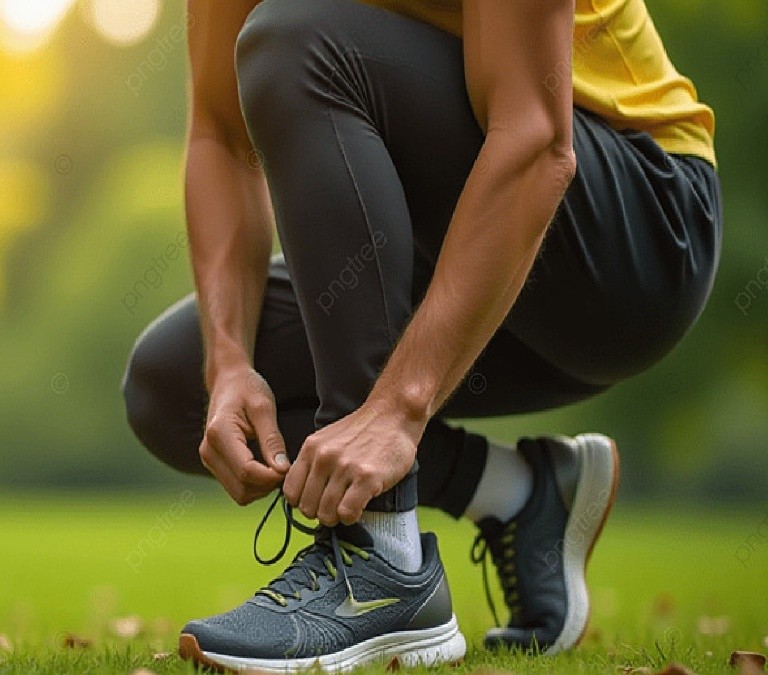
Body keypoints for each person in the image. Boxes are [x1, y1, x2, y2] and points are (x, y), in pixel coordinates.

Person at [122, 0, 720, 670]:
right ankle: (524, 494)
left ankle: (381, 556)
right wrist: (228, 362)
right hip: (470, 235)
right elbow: (221, 138)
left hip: (635, 238)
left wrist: (398, 408)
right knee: (174, 387)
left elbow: (534, 140)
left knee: (297, 39)